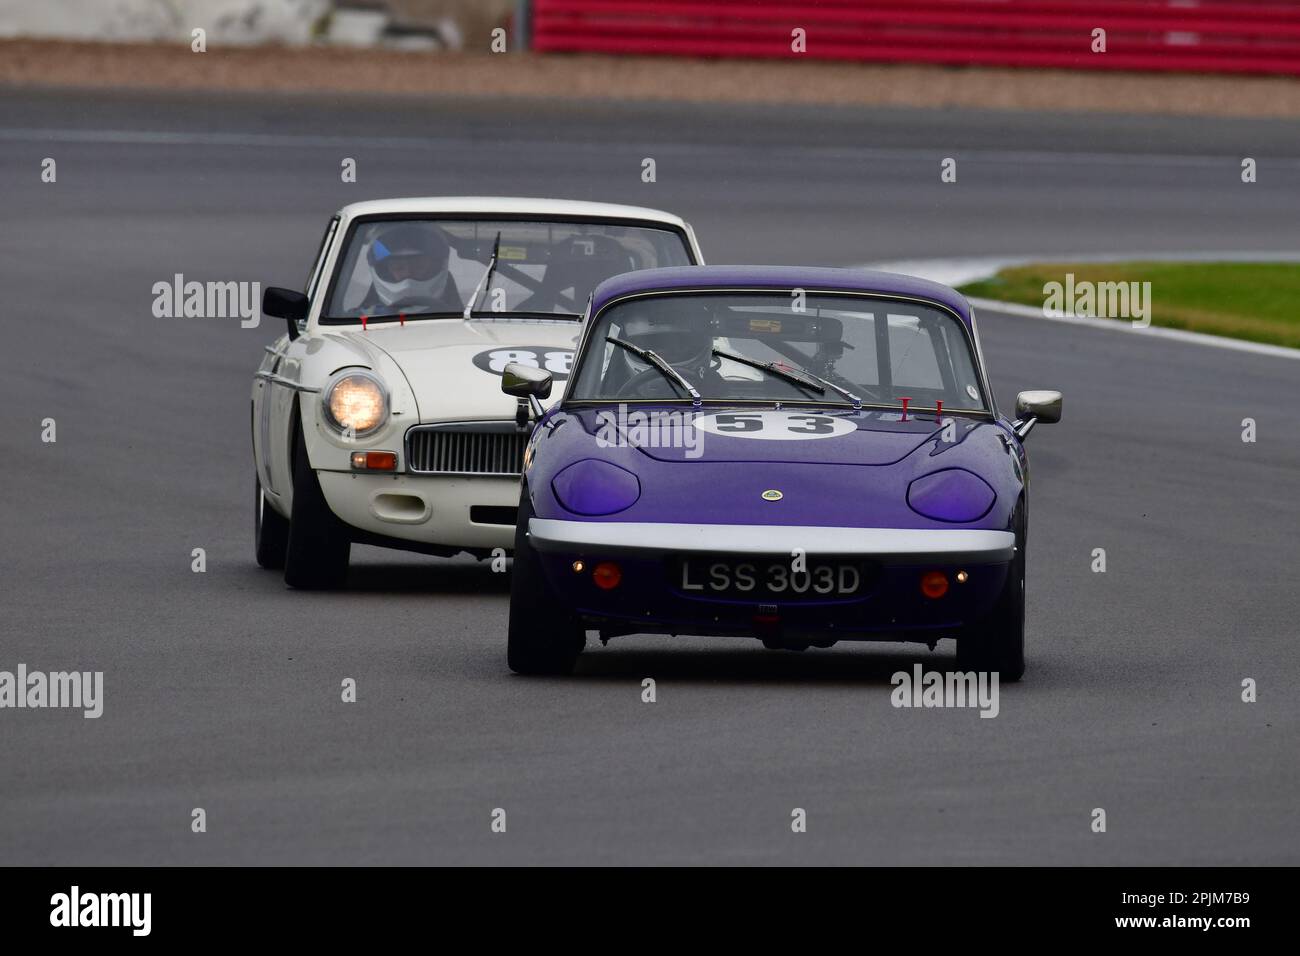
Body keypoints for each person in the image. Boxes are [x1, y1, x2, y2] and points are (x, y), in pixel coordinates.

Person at [359, 222, 462, 314]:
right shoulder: (357, 320)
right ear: (385, 271)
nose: (408, 274)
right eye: (399, 268)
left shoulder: (469, 317)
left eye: (418, 266)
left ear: (435, 266)